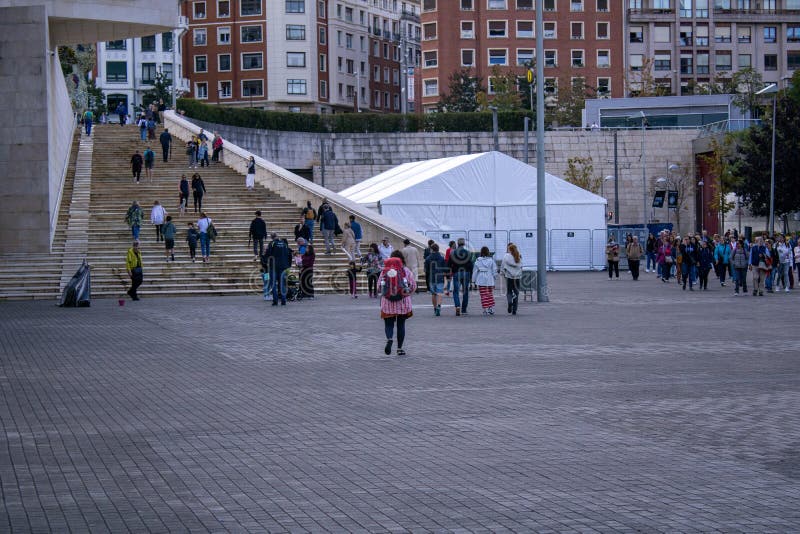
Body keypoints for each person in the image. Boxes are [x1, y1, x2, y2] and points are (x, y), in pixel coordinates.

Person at [379, 256, 416, 356]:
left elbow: (379, 286)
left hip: (387, 303)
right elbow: (413, 286)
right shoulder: (406, 271)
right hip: (402, 303)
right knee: (401, 325)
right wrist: (407, 294)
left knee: (388, 324)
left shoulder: (384, 271)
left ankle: (390, 338)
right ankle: (400, 348)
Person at [448, 238, 474, 316]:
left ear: (457, 244)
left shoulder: (452, 253)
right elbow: (470, 265)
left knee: (455, 291)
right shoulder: (468, 253)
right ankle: (464, 309)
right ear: (464, 244)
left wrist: (450, 271)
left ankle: (457, 306)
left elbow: (449, 264)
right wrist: (471, 275)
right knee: (465, 292)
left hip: (456, 273)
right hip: (466, 273)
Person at [264, 233, 292, 305]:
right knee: (282, 284)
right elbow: (289, 254)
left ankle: (275, 300)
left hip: (274, 266)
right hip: (283, 267)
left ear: (271, 237)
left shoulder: (272, 243)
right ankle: (283, 300)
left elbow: (268, 254)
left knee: (273, 284)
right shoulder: (284, 244)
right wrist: (288, 265)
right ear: (277, 237)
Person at [473, 246, 497, 315]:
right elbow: (494, 270)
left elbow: (475, 271)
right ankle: (491, 308)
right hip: (489, 279)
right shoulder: (491, 260)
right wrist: (495, 278)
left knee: (483, 295)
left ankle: (485, 309)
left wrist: (473, 280)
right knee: (490, 294)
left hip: (481, 279)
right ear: (488, 252)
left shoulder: (478, 261)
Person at [424, 243, 446, 316]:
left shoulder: (428, 258)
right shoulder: (441, 258)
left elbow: (426, 269)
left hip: (432, 277)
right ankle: (439, 307)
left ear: (431, 249)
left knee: (433, 294)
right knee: (439, 293)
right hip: (440, 277)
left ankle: (435, 308)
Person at [501, 243, 523, 315]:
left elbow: (503, 265)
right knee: (516, 293)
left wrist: (502, 272)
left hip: (509, 277)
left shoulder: (506, 256)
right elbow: (521, 266)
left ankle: (510, 302)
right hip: (517, 277)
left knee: (509, 291)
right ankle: (514, 310)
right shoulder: (519, 256)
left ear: (509, 250)